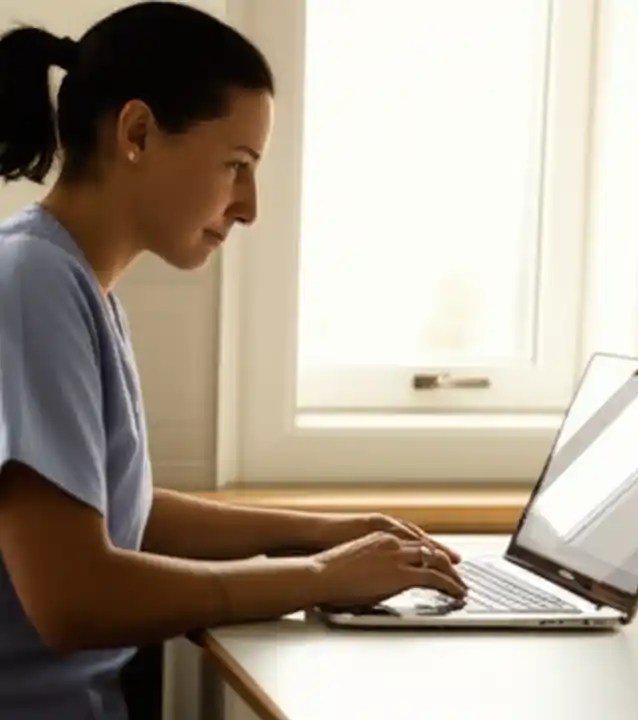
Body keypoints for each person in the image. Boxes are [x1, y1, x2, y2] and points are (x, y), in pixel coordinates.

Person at [0, 5, 466, 718]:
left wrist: (317, 532)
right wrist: (317, 576)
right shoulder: (34, 283)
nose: (248, 206)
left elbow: (115, 514)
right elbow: (75, 597)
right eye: (236, 166)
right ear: (138, 133)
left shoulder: (70, 280)